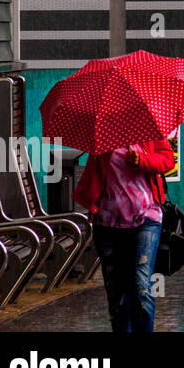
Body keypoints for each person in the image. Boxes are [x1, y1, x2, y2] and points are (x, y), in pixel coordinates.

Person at [73, 137, 175, 332]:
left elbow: (167, 161)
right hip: (107, 224)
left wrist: (143, 160)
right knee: (116, 292)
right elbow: (92, 179)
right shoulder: (100, 140)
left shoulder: (148, 131)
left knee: (141, 286)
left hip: (146, 221)